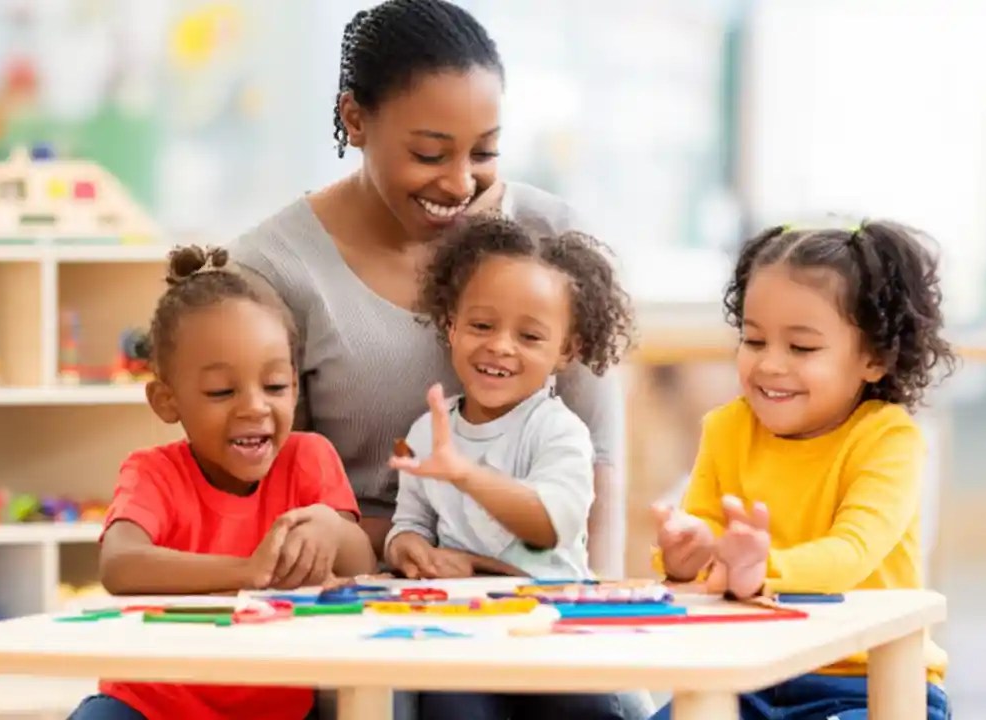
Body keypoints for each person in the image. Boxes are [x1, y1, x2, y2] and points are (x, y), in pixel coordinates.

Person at [228, 0, 625, 579]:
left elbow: (600, 462)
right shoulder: (274, 270)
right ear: (356, 119)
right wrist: (397, 546)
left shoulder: (552, 242)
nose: (462, 182)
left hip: (541, 596)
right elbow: (276, 486)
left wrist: (600, 618)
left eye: (485, 151)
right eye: (429, 154)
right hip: (351, 584)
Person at [649, 220, 957, 720]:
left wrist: (759, 569)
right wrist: (686, 557)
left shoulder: (888, 440)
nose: (770, 364)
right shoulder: (725, 429)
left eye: (802, 348)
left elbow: (850, 555)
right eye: (753, 340)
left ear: (875, 358)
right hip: (749, 675)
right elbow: (705, 553)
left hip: (865, 684)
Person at [66, 246, 377, 720]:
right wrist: (245, 573)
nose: (254, 407)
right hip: (150, 705)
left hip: (278, 709)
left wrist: (332, 530)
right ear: (166, 401)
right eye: (221, 392)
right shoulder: (153, 472)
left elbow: (363, 566)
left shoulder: (308, 458)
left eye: (275, 387)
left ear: (295, 384)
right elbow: (120, 565)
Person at [384, 216, 634, 720]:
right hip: (464, 638)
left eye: (530, 336)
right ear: (451, 325)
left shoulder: (558, 431)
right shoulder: (427, 433)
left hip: (554, 631)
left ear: (568, 350)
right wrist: (404, 547)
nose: (500, 346)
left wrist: (466, 475)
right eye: (482, 325)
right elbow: (410, 524)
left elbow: (550, 526)